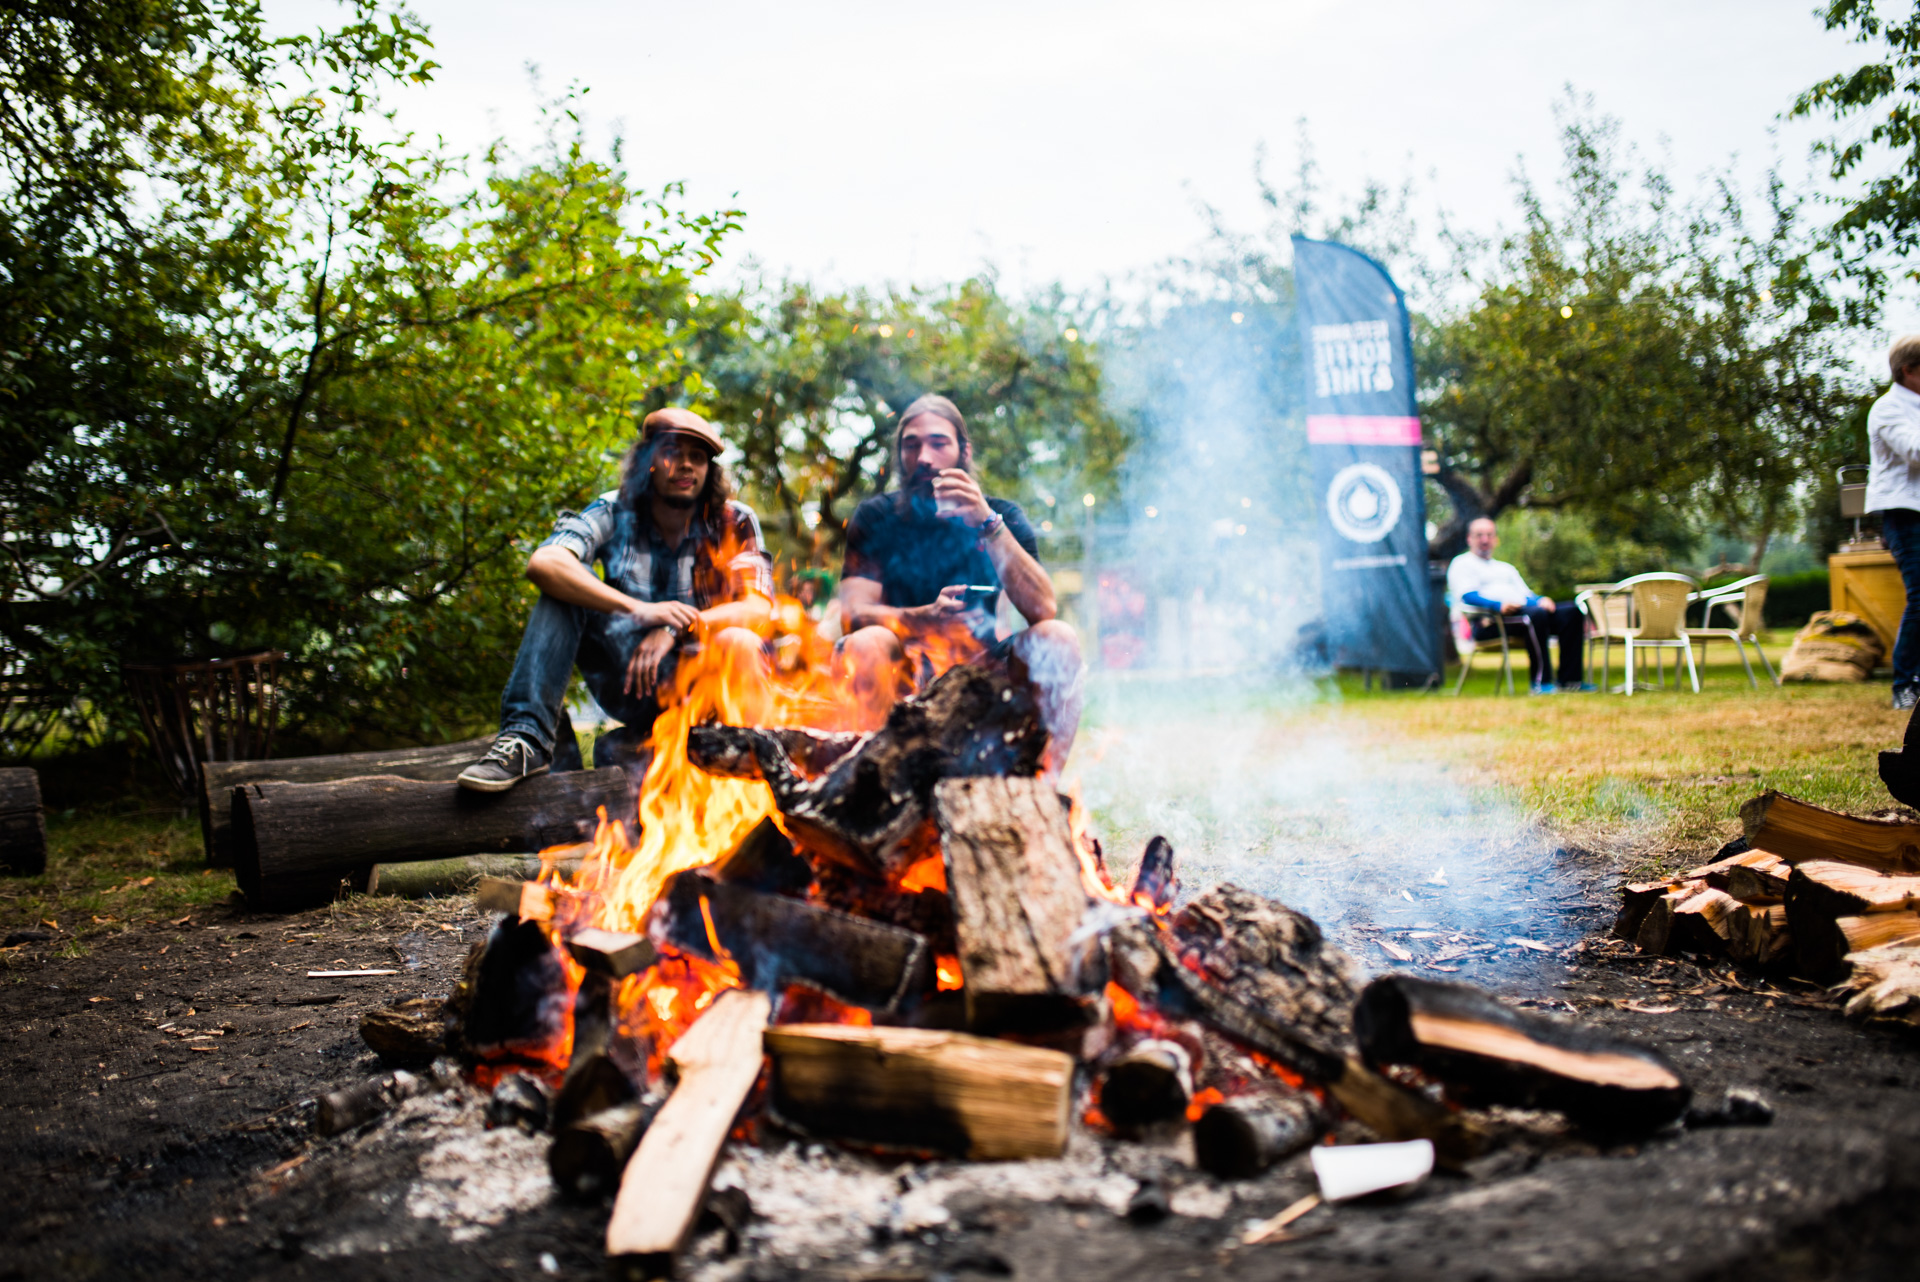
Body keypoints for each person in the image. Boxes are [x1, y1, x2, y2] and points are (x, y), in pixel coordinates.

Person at [458, 408, 774, 791]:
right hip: (632, 681)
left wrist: (676, 627)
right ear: (648, 462)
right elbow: (545, 562)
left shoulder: (733, 519)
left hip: (706, 689)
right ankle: (527, 740)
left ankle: (757, 766)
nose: (687, 465)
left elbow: (759, 608)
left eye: (699, 457)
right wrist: (642, 611)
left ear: (709, 469)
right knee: (567, 586)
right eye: (673, 452)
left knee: (738, 639)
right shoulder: (613, 509)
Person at [836, 393, 1084, 772]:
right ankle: (876, 787)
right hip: (904, 668)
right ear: (900, 455)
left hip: (985, 672)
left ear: (963, 451)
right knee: (867, 641)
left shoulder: (1002, 517)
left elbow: (1043, 609)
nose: (924, 457)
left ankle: (1041, 791)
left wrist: (988, 523)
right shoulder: (876, 517)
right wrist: (921, 617)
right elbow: (852, 615)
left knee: (1059, 638)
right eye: (911, 445)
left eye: (938, 443)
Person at [1446, 517, 1592, 694]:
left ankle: (1571, 680)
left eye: (1489, 535)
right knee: (1535, 615)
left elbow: (1526, 595)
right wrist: (1498, 605)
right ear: (1469, 539)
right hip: (1489, 622)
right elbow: (1467, 595)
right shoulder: (1462, 563)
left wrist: (1540, 600)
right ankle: (1541, 682)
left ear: (1495, 539)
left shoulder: (1505, 568)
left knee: (1570, 611)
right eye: (1479, 535)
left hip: (1523, 613)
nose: (1484, 539)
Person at [1866, 333, 1920, 711]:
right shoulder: (1888, 409)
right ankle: (1904, 684)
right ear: (1908, 371)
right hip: (1904, 513)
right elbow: (1915, 452)